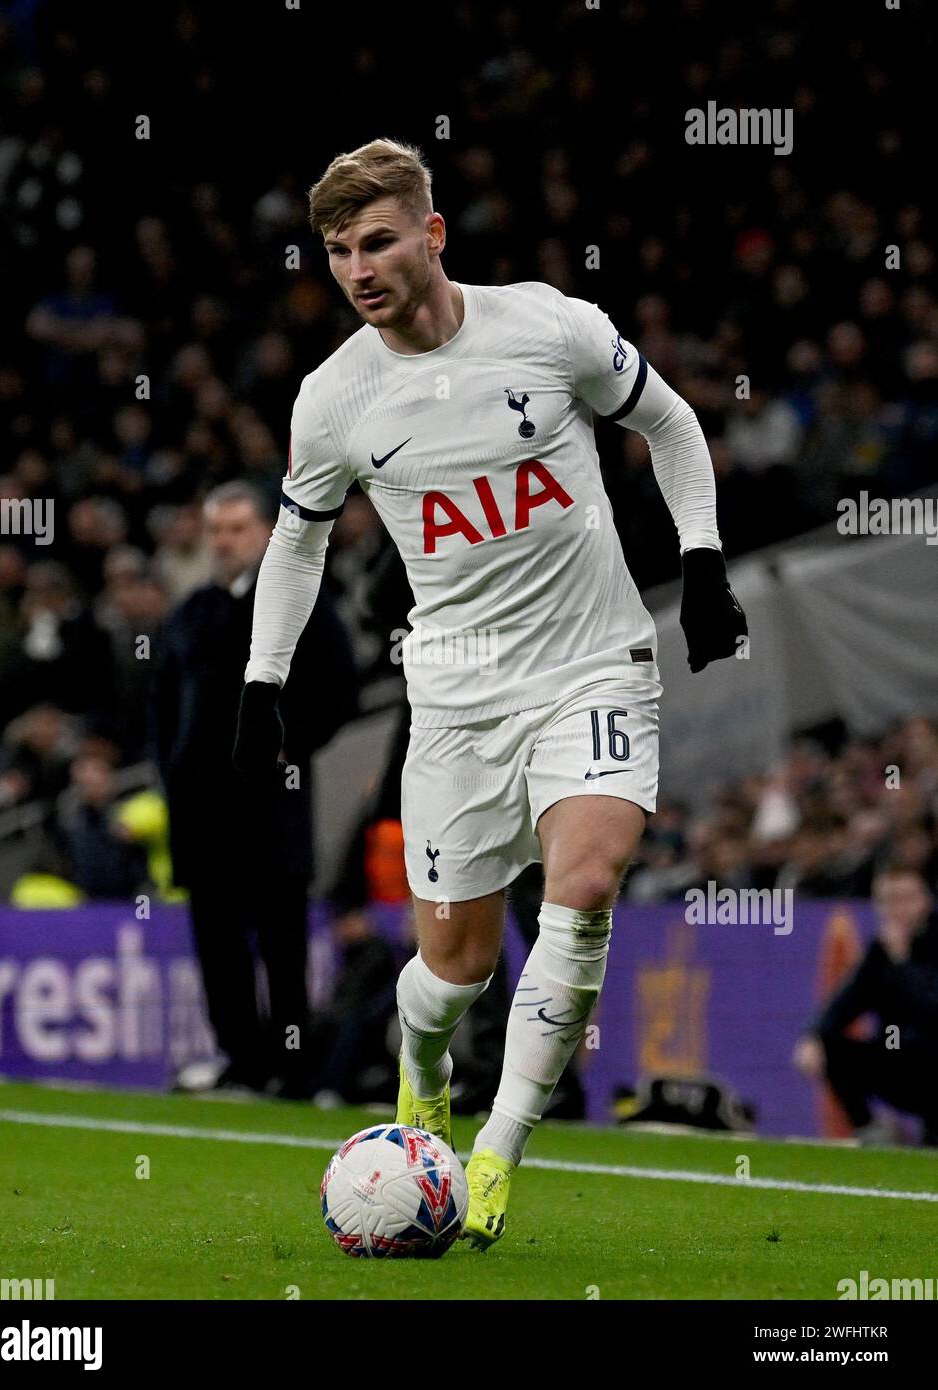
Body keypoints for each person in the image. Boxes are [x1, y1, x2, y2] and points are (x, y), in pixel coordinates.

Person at [233, 139, 747, 1244]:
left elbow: (672, 422)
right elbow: (295, 542)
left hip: (592, 664)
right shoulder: (335, 400)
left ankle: (496, 1153)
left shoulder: (548, 327)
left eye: (376, 241)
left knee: (590, 881)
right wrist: (260, 679)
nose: (357, 267)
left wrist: (701, 561)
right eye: (335, 251)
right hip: (456, 698)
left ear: (432, 234)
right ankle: (422, 1074)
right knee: (452, 966)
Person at [155, 480, 356, 1095]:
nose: (224, 541)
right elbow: (162, 706)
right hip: (201, 812)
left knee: (280, 943)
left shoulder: (299, 600)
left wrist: (293, 744)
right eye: (216, 529)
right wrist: (172, 772)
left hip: (271, 807)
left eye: (237, 527)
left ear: (268, 531)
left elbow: (339, 687)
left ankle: (292, 1069)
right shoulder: (190, 613)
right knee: (217, 945)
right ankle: (241, 1058)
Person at [793, 864, 938, 1145]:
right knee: (830, 1047)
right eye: (890, 900)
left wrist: (901, 963)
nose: (899, 909)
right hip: (900, 1060)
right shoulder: (880, 951)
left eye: (907, 898)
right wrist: (813, 1036)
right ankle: (870, 1128)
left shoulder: (913, 948)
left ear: (926, 900)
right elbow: (845, 1002)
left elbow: (931, 1009)